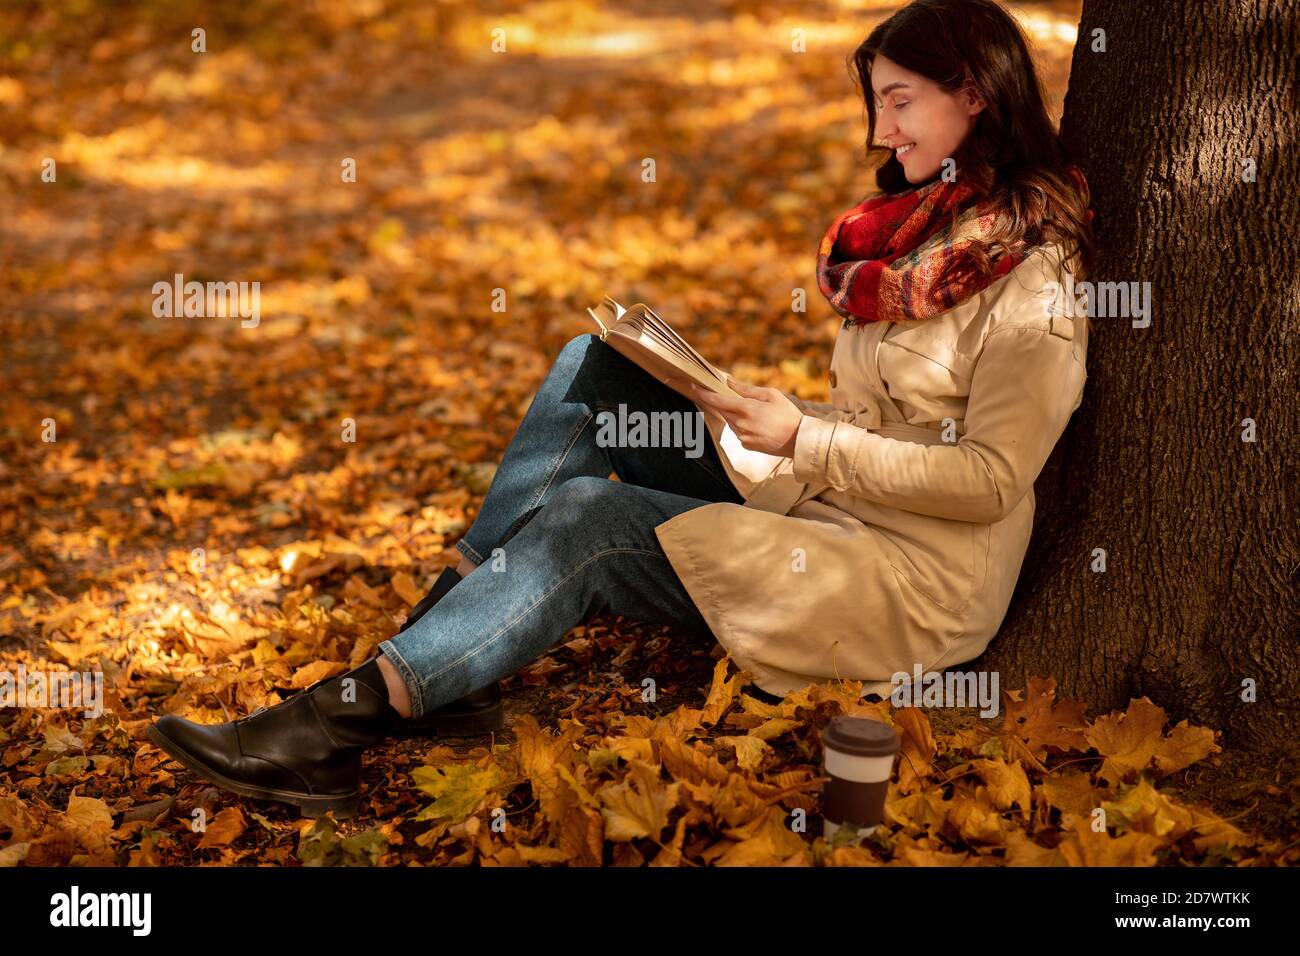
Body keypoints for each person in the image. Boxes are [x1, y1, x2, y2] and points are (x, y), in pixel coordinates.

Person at [146, 0, 1096, 820]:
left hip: (906, 580)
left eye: (901, 101)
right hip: (828, 500)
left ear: (975, 93)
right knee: (594, 366)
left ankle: (335, 723)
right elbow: (877, 415)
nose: (882, 130)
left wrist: (808, 436)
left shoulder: (1036, 282)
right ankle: (448, 651)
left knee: (587, 524)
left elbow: (989, 480)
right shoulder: (912, 239)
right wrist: (758, 409)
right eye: (877, 102)